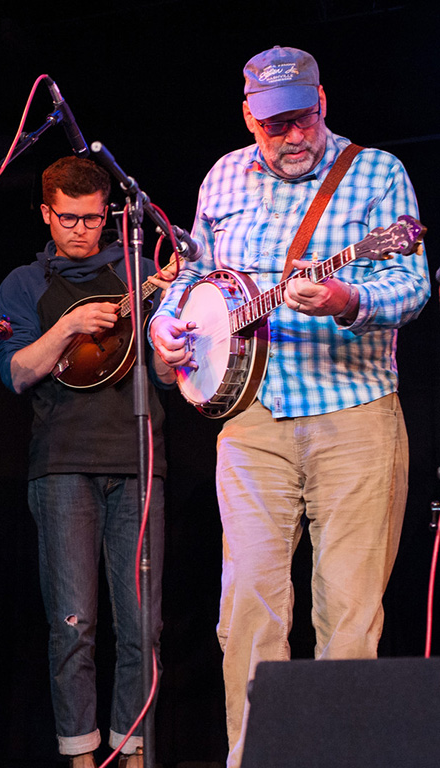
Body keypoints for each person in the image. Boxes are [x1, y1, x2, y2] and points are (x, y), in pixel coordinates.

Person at [149, 46, 430, 768]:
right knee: (247, 610)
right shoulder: (221, 177)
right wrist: (169, 322)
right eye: (275, 125)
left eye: (303, 118)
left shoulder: (376, 174)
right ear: (249, 117)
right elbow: (194, 278)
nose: (293, 136)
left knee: (350, 612)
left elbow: (412, 282)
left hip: (356, 413)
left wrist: (347, 297)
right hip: (250, 421)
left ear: (323, 102)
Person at [0, 156, 175, 768]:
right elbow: (16, 373)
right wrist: (68, 326)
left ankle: (134, 749)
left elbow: (170, 371)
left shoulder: (141, 271)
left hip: (138, 461)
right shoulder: (22, 284)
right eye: (69, 218)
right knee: (74, 626)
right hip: (62, 466)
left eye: (94, 218)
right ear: (46, 213)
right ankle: (79, 755)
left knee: (142, 627)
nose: (83, 230)